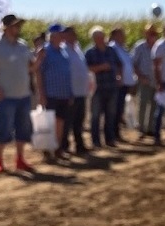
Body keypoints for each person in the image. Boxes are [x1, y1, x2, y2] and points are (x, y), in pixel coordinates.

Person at [0, 14, 35, 173]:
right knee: (3, 129)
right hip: (6, 97)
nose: (18, 28)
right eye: (15, 26)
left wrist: (38, 61)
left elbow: (30, 68)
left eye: (19, 25)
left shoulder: (23, 46)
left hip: (24, 95)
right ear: (6, 28)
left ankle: (20, 159)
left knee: (23, 129)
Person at [35, 24, 73, 161]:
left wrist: (70, 93)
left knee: (60, 122)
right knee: (48, 123)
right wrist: (41, 94)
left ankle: (58, 149)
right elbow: (38, 73)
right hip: (50, 94)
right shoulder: (44, 51)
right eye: (61, 34)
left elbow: (68, 74)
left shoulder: (64, 51)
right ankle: (46, 151)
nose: (63, 36)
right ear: (53, 36)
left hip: (63, 94)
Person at [85, 26, 121, 148]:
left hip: (111, 86)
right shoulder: (90, 52)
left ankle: (110, 139)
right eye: (98, 37)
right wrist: (101, 67)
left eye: (102, 37)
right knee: (95, 116)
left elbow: (119, 64)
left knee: (110, 115)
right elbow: (86, 69)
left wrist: (119, 76)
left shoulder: (111, 50)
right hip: (97, 89)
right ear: (93, 39)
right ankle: (96, 141)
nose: (101, 39)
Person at [61, 27, 89, 155]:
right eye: (70, 34)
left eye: (74, 34)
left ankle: (79, 145)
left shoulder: (78, 49)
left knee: (79, 120)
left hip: (81, 91)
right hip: (70, 92)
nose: (74, 36)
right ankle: (65, 146)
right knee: (68, 121)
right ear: (65, 36)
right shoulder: (63, 50)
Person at [132, 24, 160, 140]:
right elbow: (134, 64)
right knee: (142, 104)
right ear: (145, 34)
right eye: (150, 33)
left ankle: (150, 128)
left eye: (154, 33)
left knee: (154, 105)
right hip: (144, 80)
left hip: (156, 80)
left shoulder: (158, 46)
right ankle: (141, 129)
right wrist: (140, 77)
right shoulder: (140, 47)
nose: (152, 36)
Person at [109, 27, 136, 143]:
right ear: (115, 36)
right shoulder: (112, 48)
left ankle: (116, 132)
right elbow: (116, 65)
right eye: (121, 34)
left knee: (120, 109)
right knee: (115, 109)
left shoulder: (123, 48)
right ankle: (113, 133)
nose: (123, 37)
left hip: (125, 83)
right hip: (118, 84)